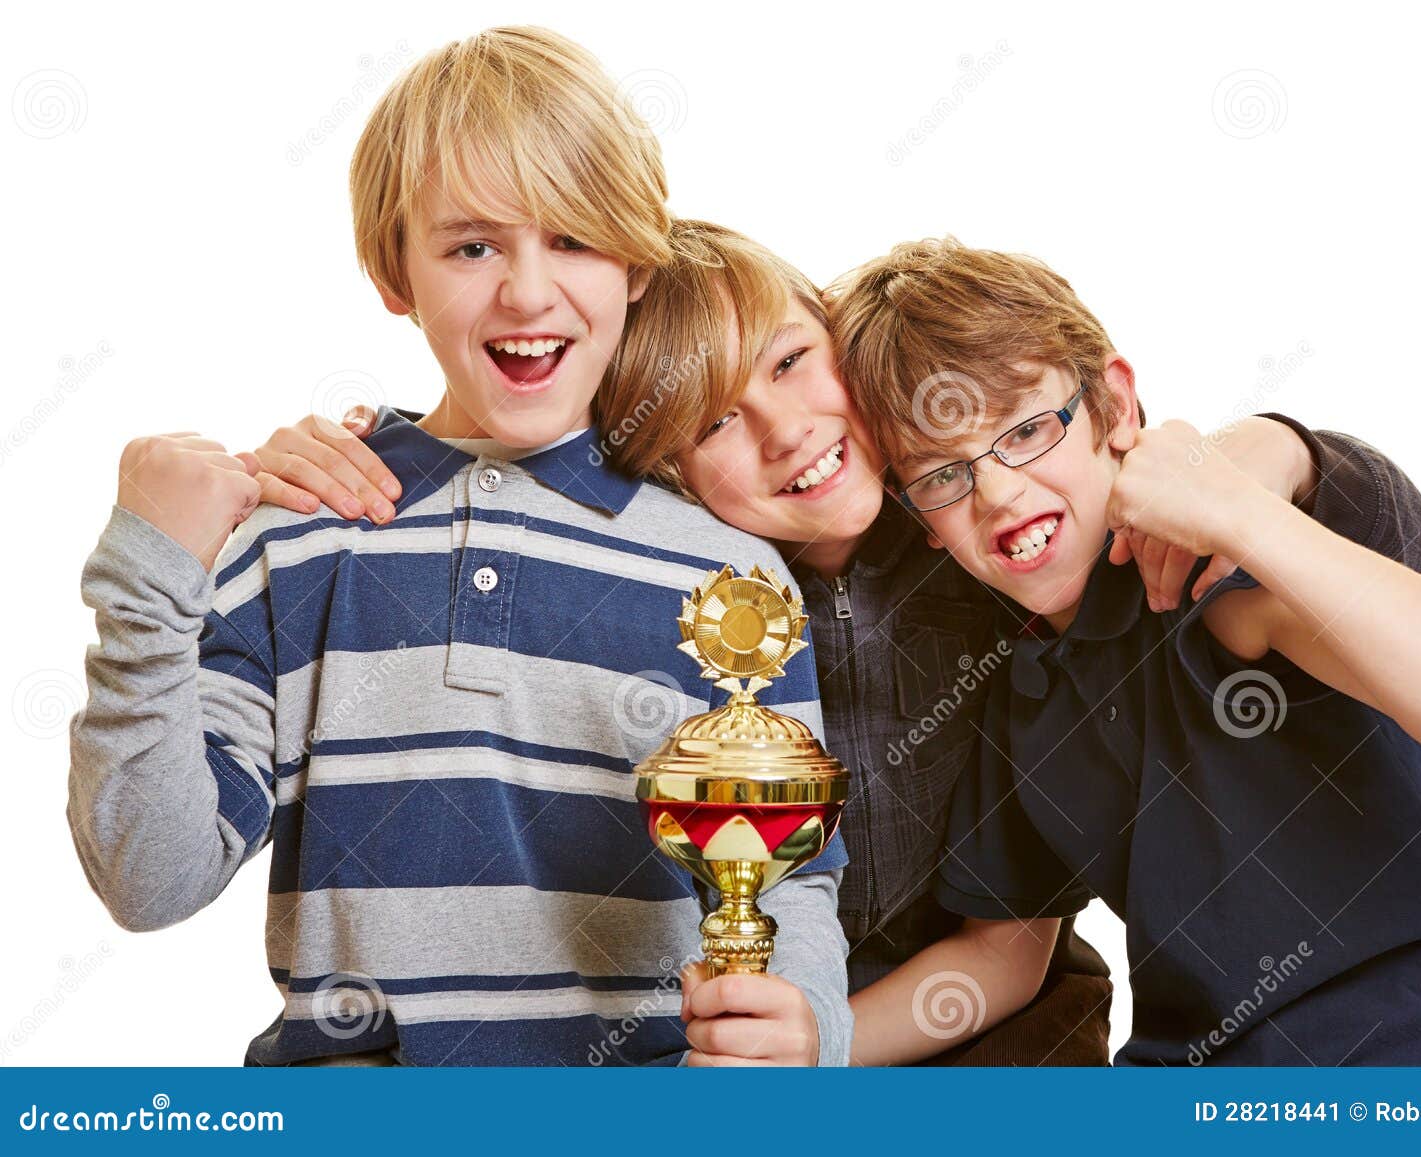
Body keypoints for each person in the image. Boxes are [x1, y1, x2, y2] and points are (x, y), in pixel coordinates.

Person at [252, 220, 1421, 1065]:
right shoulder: (683, 590)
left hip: (1013, 1038)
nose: (784, 430)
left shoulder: (986, 537)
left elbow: (1140, 466)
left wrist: (1272, 444)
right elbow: (518, 477)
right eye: (714, 421)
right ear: (657, 465)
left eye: (791, 362)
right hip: (744, 1043)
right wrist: (389, 449)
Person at [67, 27, 850, 1068]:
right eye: (472, 246)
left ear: (636, 265)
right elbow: (150, 878)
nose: (526, 292)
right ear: (396, 272)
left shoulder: (730, 577)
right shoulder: (293, 535)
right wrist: (145, 579)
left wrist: (808, 1022)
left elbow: (791, 873)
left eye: (572, 238)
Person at [826, 236, 1421, 1065]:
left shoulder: (1223, 584)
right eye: (942, 474)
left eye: (1028, 429)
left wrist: (1248, 505)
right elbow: (999, 953)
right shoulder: (1019, 698)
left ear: (1115, 406)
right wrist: (807, 1047)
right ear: (919, 519)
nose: (999, 491)